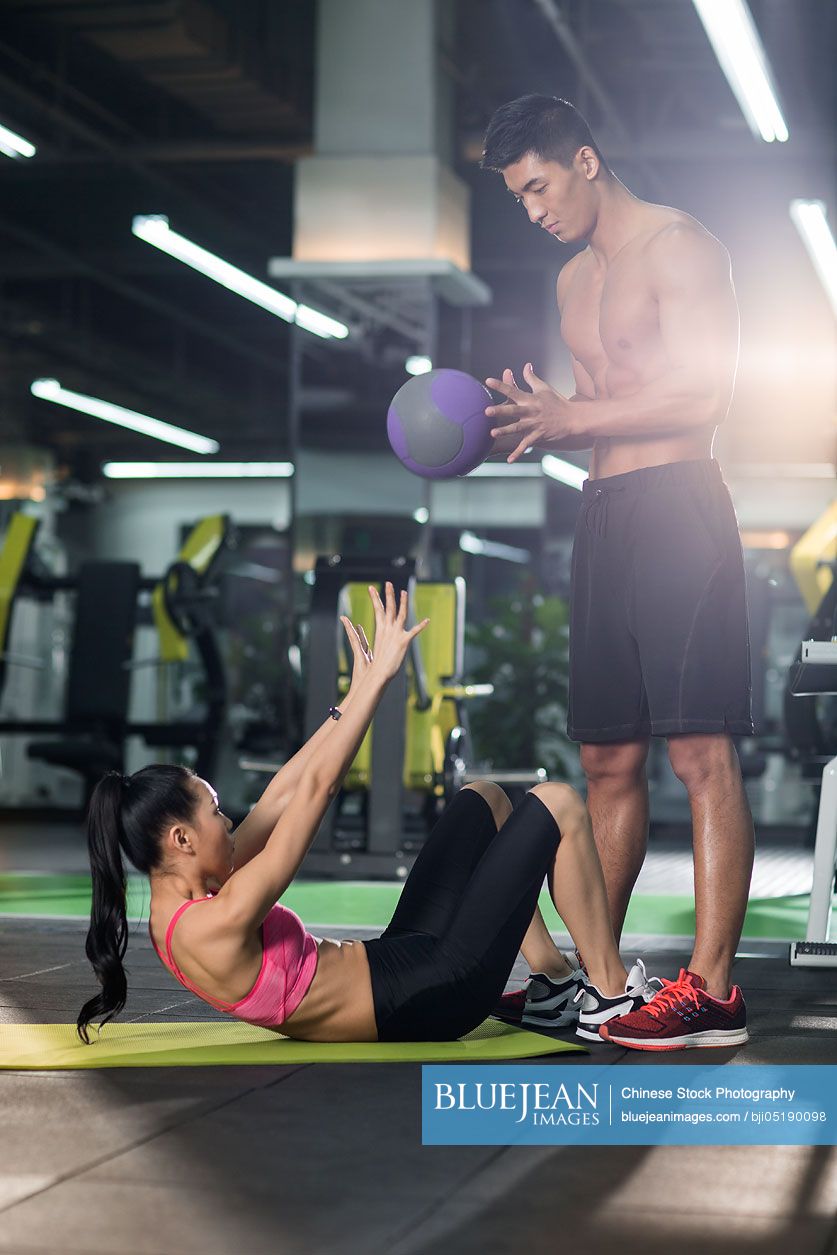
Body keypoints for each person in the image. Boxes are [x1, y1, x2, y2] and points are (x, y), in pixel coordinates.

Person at [77, 583, 660, 1047]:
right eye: (215, 812)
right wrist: (381, 684)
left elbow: (282, 793)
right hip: (435, 993)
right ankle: (608, 996)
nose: (228, 821)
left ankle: (555, 985)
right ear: (181, 837)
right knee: (557, 801)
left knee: (485, 800)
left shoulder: (183, 896)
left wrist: (353, 695)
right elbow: (317, 791)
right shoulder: (213, 923)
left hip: (400, 957)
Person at [479, 94, 753, 1050]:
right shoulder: (569, 283)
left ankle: (712, 990)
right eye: (518, 198)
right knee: (605, 759)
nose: (535, 210)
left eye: (541, 187)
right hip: (603, 516)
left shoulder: (682, 248)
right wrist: (523, 422)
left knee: (698, 751)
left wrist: (573, 420)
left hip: (681, 508)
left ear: (586, 161)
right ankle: (602, 979)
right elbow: (595, 407)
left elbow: (702, 389)